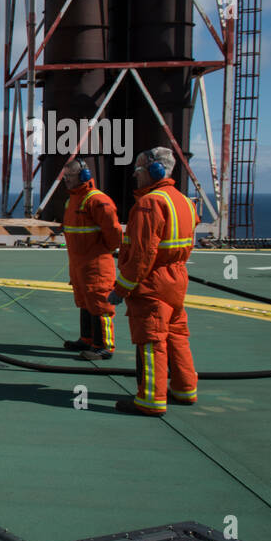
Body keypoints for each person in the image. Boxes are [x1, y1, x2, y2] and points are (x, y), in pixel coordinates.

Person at [108, 147, 199, 415]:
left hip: (152, 282)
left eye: (138, 171)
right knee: (177, 335)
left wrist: (121, 289)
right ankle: (185, 389)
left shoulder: (150, 204)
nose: (136, 177)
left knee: (151, 339)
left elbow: (141, 255)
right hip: (177, 277)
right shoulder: (183, 201)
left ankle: (151, 399)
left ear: (154, 171)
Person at [61, 158, 122, 360]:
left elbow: (113, 234)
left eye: (69, 177)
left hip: (96, 262)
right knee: (84, 300)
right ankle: (86, 339)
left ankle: (104, 346)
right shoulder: (73, 200)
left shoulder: (97, 201)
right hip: (79, 262)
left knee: (99, 301)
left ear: (83, 176)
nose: (66, 181)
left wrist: (102, 250)